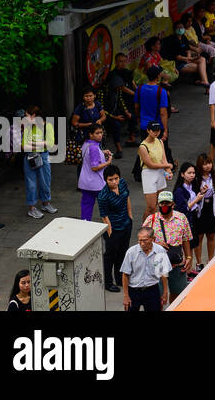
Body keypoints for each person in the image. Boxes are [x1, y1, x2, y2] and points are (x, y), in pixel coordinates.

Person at [144, 189, 193, 297]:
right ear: (158, 204)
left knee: (177, 296)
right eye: (162, 203)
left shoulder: (181, 218)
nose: (164, 205)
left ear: (173, 204)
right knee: (159, 298)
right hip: (157, 266)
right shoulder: (151, 220)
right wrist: (155, 244)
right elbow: (142, 242)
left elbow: (186, 239)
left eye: (167, 203)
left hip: (177, 265)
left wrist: (189, 257)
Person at [187, 155, 215, 273]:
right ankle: (199, 262)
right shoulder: (195, 178)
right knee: (199, 236)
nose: (207, 166)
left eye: (209, 163)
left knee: (211, 235)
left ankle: (211, 260)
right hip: (199, 209)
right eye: (204, 164)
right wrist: (201, 192)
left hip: (212, 208)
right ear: (200, 165)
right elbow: (192, 194)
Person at [98, 164, 132, 292]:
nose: (114, 182)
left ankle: (120, 278)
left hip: (126, 224)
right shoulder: (103, 195)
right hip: (113, 228)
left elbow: (127, 197)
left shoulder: (122, 184)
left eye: (116, 178)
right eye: (110, 179)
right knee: (110, 256)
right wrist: (110, 232)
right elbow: (104, 215)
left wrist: (130, 216)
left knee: (122, 253)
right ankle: (108, 282)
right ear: (105, 180)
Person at [20, 105, 57, 220]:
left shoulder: (47, 126)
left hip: (43, 156)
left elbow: (51, 144)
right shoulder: (28, 127)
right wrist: (42, 143)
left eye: (27, 116)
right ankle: (32, 208)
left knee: (45, 180)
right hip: (30, 156)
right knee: (31, 184)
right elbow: (23, 146)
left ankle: (46, 203)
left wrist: (34, 144)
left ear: (34, 116)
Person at [120, 226, 170, 311]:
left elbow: (163, 273)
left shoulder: (160, 251)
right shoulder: (131, 252)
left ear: (152, 238)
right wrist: (126, 296)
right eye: (140, 240)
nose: (142, 243)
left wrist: (165, 292)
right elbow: (125, 275)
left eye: (145, 240)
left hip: (152, 290)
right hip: (134, 291)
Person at [102, 52, 137, 153]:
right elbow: (122, 88)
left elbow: (132, 83)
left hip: (124, 100)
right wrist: (135, 94)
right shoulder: (113, 75)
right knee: (116, 124)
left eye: (125, 61)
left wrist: (138, 92)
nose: (123, 63)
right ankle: (118, 148)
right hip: (113, 105)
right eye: (120, 61)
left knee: (132, 114)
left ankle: (132, 138)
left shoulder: (127, 72)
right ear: (116, 62)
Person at [137, 121, 172, 216]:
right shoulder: (142, 147)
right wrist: (167, 166)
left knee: (158, 204)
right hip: (148, 174)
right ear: (148, 131)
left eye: (158, 130)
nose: (156, 132)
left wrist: (168, 172)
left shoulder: (160, 141)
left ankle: (154, 227)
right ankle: (145, 228)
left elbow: (163, 159)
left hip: (160, 173)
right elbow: (150, 165)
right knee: (151, 207)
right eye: (153, 130)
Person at [77, 123, 112, 220]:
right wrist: (108, 162)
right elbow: (95, 167)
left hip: (85, 183)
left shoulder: (86, 144)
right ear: (90, 134)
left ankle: (85, 228)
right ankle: (109, 230)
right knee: (106, 209)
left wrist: (102, 152)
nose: (100, 135)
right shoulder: (94, 148)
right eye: (97, 133)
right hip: (96, 184)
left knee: (86, 210)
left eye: (101, 132)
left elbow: (89, 156)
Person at [67, 87, 103, 167]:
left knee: (97, 156)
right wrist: (87, 125)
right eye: (86, 96)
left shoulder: (97, 104)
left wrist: (100, 120)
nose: (89, 98)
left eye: (90, 96)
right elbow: (74, 122)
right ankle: (82, 177)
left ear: (94, 96)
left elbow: (103, 116)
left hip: (96, 135)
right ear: (83, 97)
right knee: (84, 159)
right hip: (84, 136)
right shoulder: (80, 107)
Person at [134, 65, 170, 138]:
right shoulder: (161, 91)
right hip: (157, 127)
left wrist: (139, 118)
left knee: (146, 148)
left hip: (144, 126)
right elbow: (163, 113)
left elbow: (136, 107)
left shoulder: (140, 88)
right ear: (158, 77)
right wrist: (165, 130)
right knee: (160, 148)